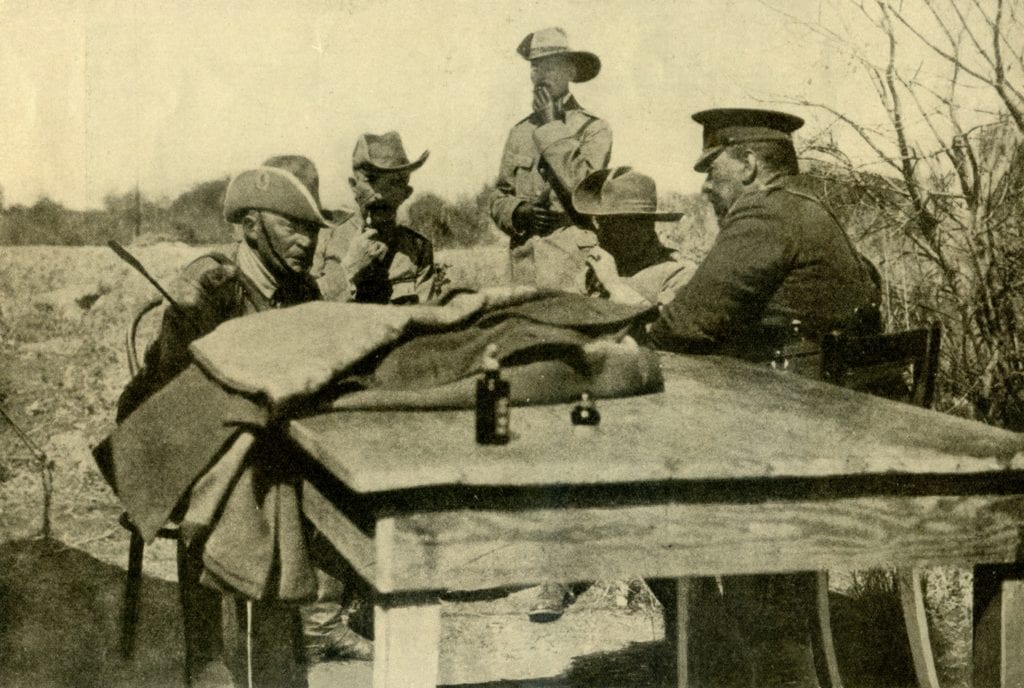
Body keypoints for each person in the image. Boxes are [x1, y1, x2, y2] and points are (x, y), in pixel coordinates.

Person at [642, 109, 881, 688]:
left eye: (713, 166)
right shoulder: (810, 210)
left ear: (749, 163)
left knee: (652, 498)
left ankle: (722, 662)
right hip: (819, 421)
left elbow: (687, 324)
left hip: (784, 435)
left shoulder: (764, 213)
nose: (704, 184)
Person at [116, 156, 328, 688]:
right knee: (229, 473)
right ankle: (207, 652)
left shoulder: (304, 291)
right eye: (291, 227)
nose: (305, 242)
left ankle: (277, 639)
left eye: (311, 230)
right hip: (175, 433)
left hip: (260, 433)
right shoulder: (212, 284)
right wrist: (188, 318)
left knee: (289, 470)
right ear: (252, 227)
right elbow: (171, 386)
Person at [488, 26, 612, 291]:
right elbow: (498, 197)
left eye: (551, 67)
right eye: (536, 68)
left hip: (573, 266)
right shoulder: (520, 132)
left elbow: (585, 188)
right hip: (525, 269)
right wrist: (518, 212)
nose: (541, 76)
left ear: (571, 72)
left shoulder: (594, 128)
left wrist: (551, 126)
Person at [312, 131, 434, 304]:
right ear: (354, 187)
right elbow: (307, 315)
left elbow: (426, 320)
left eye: (392, 183)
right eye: (371, 180)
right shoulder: (323, 237)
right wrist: (350, 268)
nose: (379, 195)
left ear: (406, 193)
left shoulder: (417, 249)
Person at [573, 166, 694, 306]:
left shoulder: (678, 275)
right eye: (600, 223)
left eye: (613, 225)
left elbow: (662, 325)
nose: (600, 233)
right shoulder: (599, 270)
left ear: (645, 226)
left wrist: (613, 284)